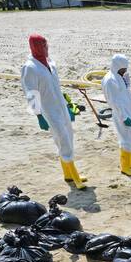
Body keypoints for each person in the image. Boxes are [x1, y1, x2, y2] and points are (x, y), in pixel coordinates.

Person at [21, 33, 87, 187]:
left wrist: (68, 106)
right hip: (48, 110)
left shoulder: (51, 64)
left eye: (46, 45)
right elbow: (31, 92)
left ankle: (68, 173)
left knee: (69, 136)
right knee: (62, 139)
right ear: (35, 48)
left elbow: (56, 87)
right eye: (42, 46)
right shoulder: (30, 68)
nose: (46, 48)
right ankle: (74, 175)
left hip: (61, 107)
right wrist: (38, 115)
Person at [102, 52, 131, 178]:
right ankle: (125, 166)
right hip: (121, 113)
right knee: (125, 139)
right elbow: (113, 101)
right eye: (122, 69)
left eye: (125, 68)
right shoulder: (110, 80)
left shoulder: (123, 76)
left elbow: (129, 94)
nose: (124, 71)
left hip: (130, 110)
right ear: (116, 66)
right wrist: (124, 117)